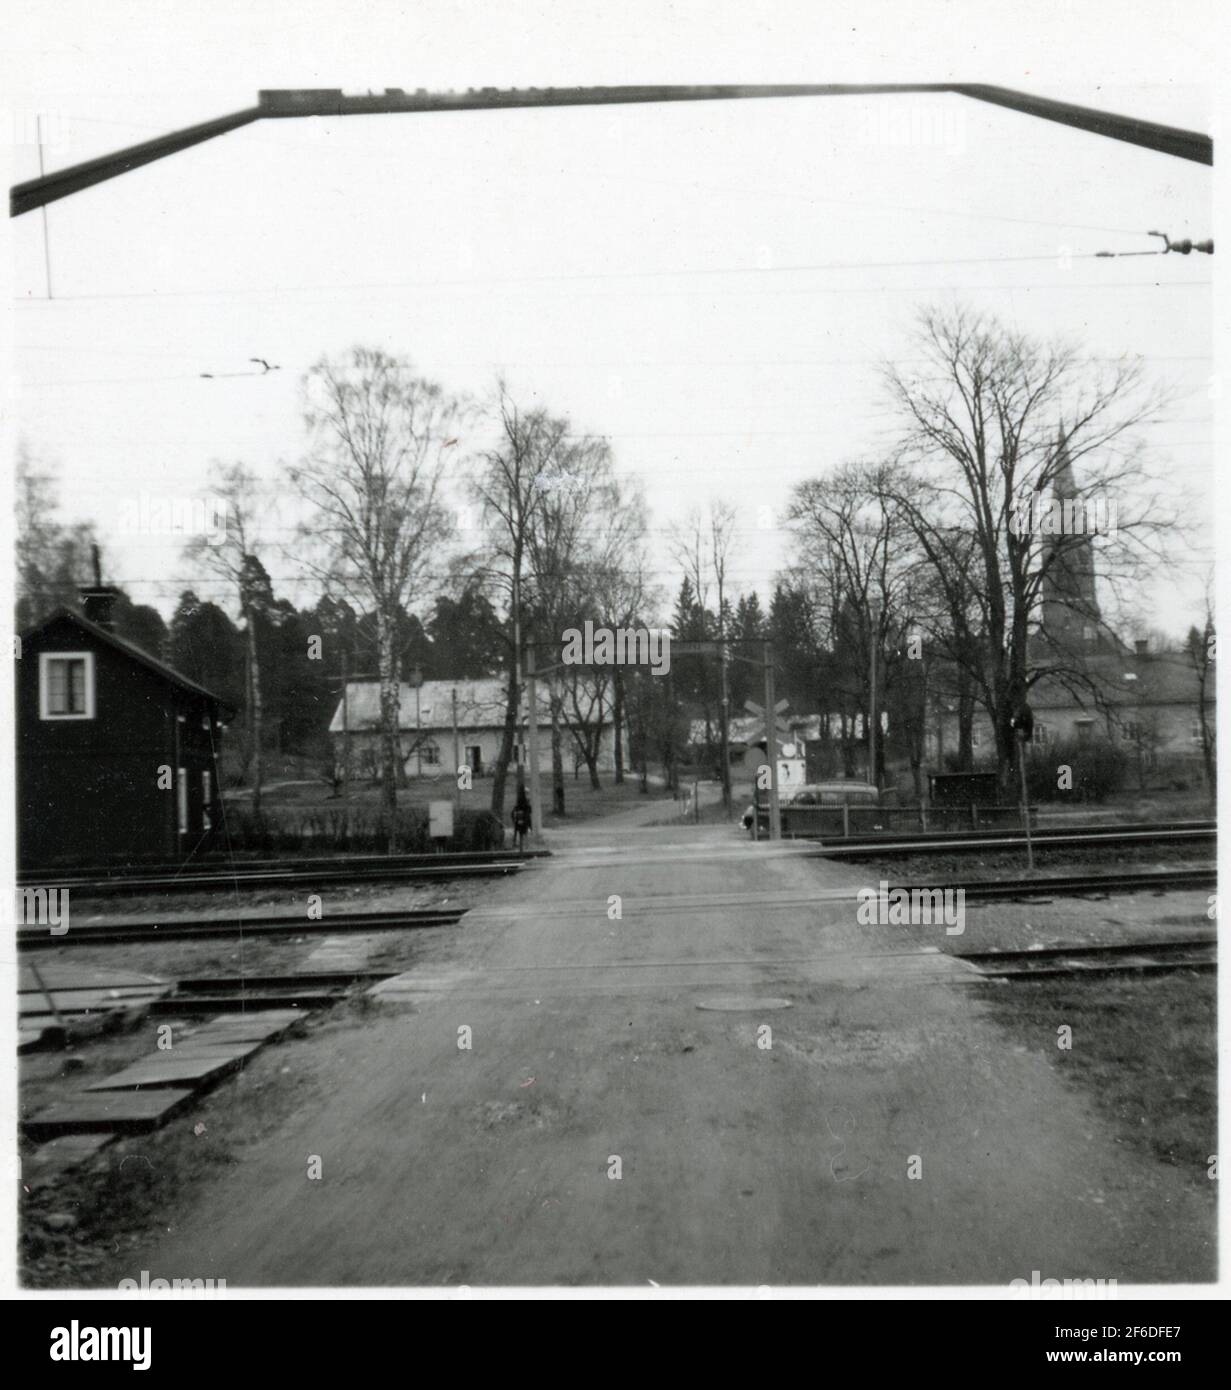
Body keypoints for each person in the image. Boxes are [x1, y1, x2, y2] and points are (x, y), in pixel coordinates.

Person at [511, 785, 531, 852]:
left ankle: (518, 842)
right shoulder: (525, 800)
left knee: (519, 828)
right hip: (522, 815)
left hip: (522, 815)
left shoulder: (523, 799)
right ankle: (517, 842)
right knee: (521, 827)